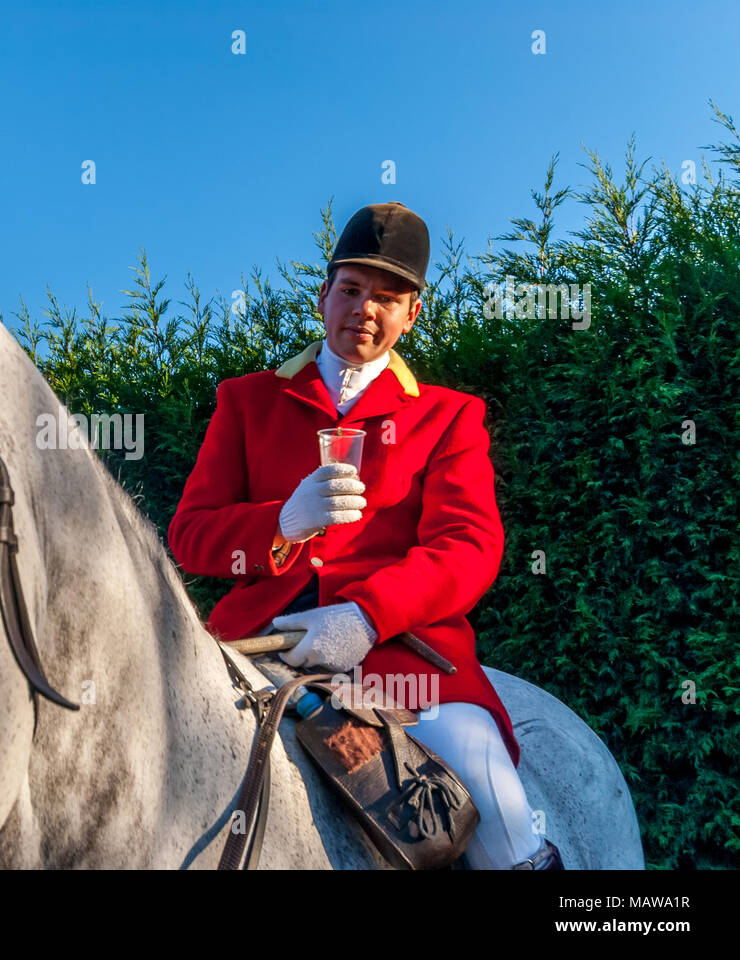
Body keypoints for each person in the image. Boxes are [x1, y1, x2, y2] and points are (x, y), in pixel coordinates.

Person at [167, 202, 563, 870]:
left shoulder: (448, 417)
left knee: (488, 789)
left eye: (388, 298)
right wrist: (281, 524)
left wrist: (366, 614)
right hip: (260, 647)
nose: (364, 310)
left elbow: (468, 547)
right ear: (323, 295)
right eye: (350, 290)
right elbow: (189, 536)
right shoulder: (247, 401)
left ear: (412, 314)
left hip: (401, 660)